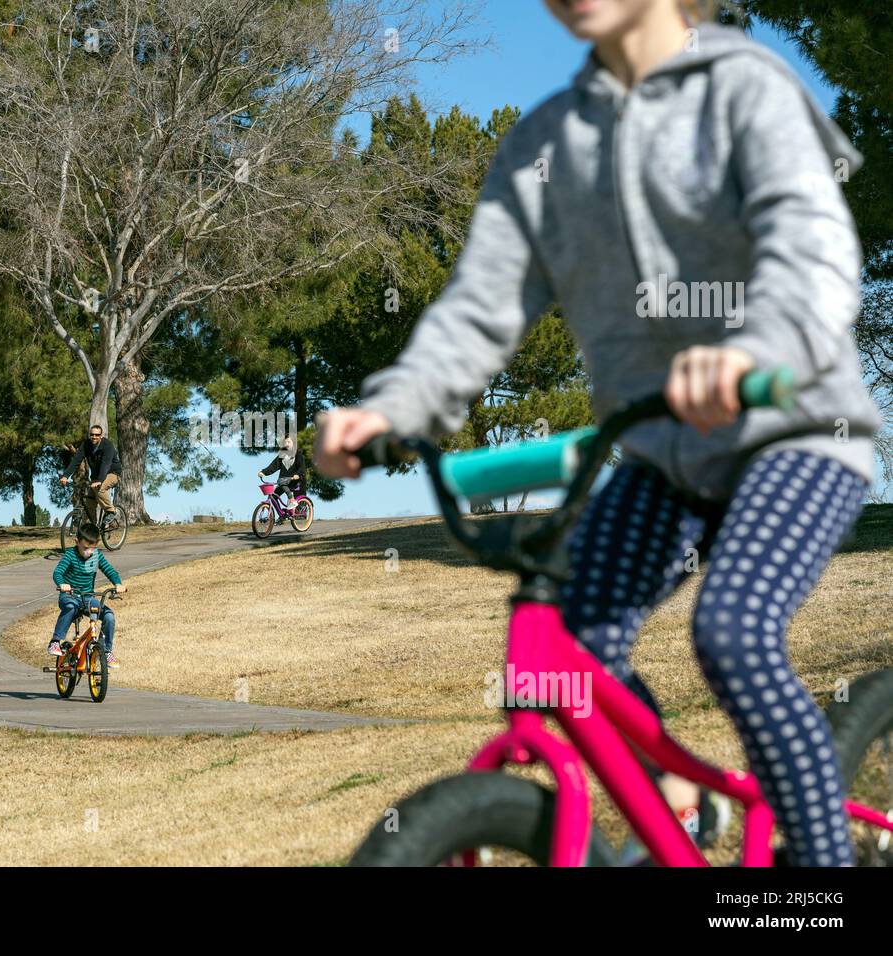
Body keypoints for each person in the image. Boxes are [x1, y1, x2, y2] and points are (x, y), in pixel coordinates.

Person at [315, 0, 880, 866]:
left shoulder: (746, 88)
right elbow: (478, 310)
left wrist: (752, 350)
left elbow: (813, 248)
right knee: (565, 652)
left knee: (732, 631)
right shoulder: (544, 143)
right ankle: (683, 803)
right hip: (664, 454)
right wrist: (393, 409)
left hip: (795, 433)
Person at [49, 522, 126, 665]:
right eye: (85, 548)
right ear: (76, 541)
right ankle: (55, 641)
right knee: (71, 607)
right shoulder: (70, 555)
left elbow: (109, 570)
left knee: (108, 616)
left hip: (88, 597)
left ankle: (105, 651)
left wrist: (118, 583)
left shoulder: (96, 555)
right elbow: (58, 572)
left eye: (93, 548)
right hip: (70, 595)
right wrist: (62, 584)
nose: (89, 552)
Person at [61, 424, 121, 524]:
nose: (94, 437)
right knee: (89, 503)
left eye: (97, 435)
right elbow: (76, 460)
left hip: (113, 473)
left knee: (100, 489)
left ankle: (111, 511)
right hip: (97, 477)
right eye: (92, 434)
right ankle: (91, 530)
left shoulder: (107, 446)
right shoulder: (86, 445)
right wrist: (65, 476)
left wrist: (100, 480)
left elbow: (105, 464)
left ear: (101, 435)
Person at [258, 436, 306, 507]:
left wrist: (297, 474)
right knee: (274, 497)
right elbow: (273, 466)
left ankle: (293, 502)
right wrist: (264, 472)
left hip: (295, 481)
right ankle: (281, 515)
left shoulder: (298, 455)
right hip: (283, 482)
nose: (287, 444)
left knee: (297, 500)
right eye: (285, 442)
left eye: (289, 442)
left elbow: (302, 468)